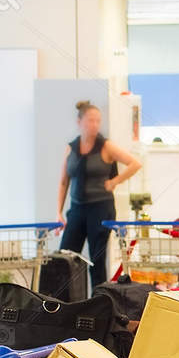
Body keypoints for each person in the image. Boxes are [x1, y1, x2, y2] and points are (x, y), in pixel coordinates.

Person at [57, 99, 140, 287]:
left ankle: (98, 299)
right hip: (77, 208)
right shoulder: (71, 148)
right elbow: (63, 182)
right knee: (66, 256)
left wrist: (115, 181)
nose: (94, 124)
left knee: (97, 260)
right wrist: (58, 212)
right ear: (79, 122)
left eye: (98, 121)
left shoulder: (106, 146)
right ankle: (65, 299)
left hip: (101, 208)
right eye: (90, 120)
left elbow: (135, 163)